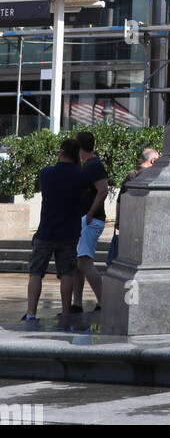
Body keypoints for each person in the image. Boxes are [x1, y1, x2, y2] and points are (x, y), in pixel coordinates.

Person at [21, 139, 86, 325]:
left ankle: (31, 313)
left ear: (61, 152)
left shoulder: (46, 174)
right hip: (69, 231)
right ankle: (66, 312)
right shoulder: (80, 176)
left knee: (36, 272)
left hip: (46, 230)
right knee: (66, 273)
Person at [71, 130, 109, 314]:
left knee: (84, 262)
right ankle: (76, 304)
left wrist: (90, 214)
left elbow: (103, 190)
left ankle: (103, 302)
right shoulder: (88, 164)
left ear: (79, 147)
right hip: (87, 219)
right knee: (78, 264)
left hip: (90, 220)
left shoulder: (93, 165)